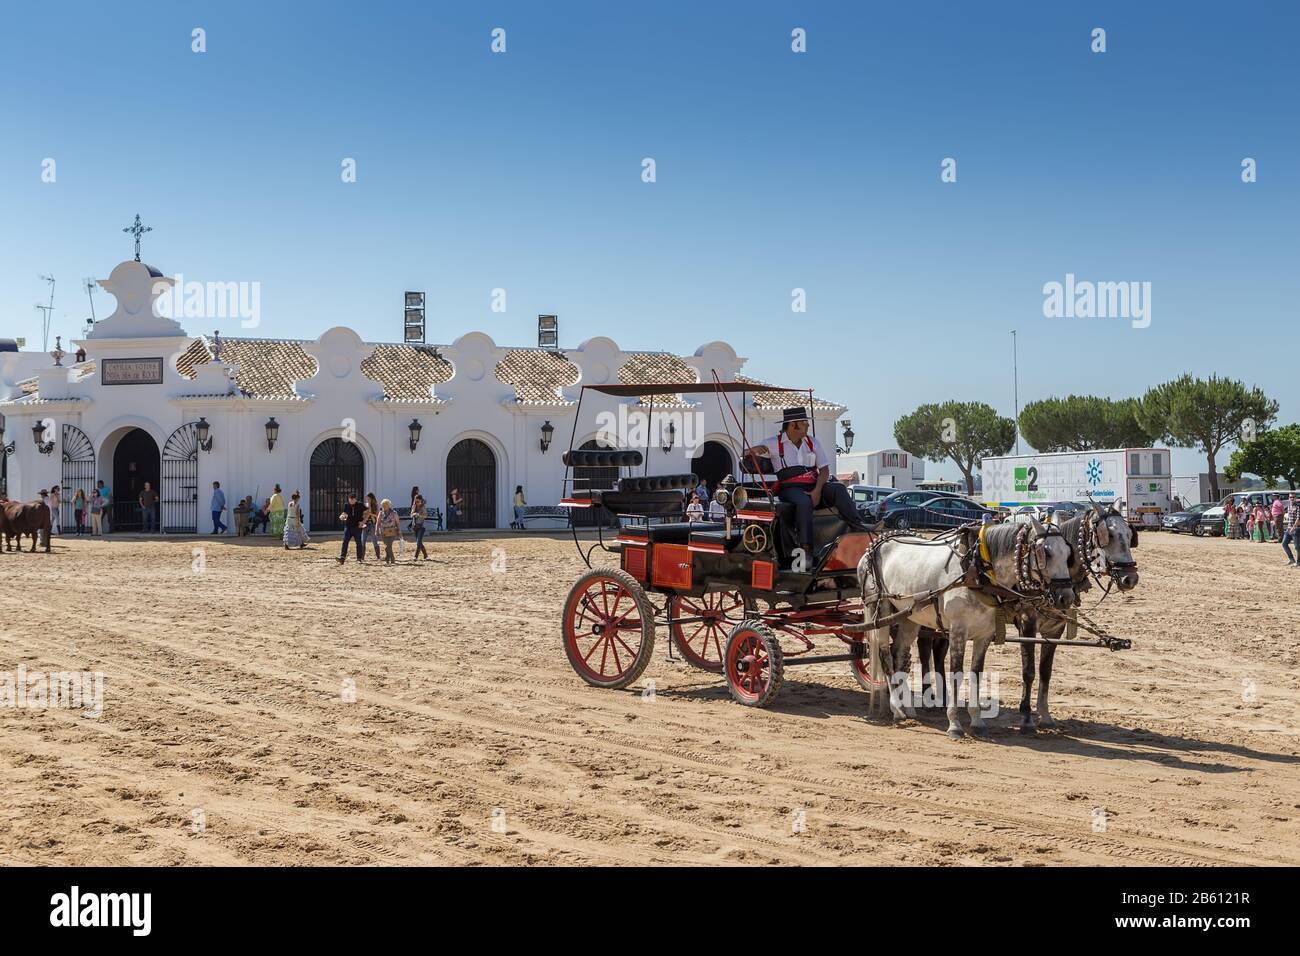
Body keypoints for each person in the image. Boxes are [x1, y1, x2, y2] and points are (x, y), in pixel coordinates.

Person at [743, 406, 869, 560]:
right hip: (789, 488)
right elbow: (745, 454)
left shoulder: (812, 442)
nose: (807, 426)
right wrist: (753, 451)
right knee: (804, 501)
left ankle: (860, 528)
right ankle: (806, 549)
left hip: (814, 485)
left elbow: (824, 470)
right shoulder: (772, 443)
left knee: (838, 489)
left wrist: (817, 490)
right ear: (792, 425)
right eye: (804, 422)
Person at [338, 491, 367, 563]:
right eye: (349, 500)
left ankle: (359, 559)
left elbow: (368, 512)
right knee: (345, 541)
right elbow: (344, 513)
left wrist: (363, 521)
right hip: (348, 526)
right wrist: (342, 516)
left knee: (358, 543)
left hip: (357, 527)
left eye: (352, 500)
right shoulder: (346, 505)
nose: (350, 501)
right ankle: (342, 558)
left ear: (355, 499)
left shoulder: (360, 505)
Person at [377, 497, 402, 564]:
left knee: (388, 546)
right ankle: (388, 558)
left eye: (385, 505)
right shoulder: (381, 513)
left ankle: (392, 558)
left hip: (392, 531)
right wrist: (376, 530)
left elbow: (397, 522)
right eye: (383, 505)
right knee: (387, 545)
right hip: (383, 531)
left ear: (389, 505)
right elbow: (378, 522)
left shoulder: (394, 513)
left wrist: (399, 530)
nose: (384, 506)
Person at [1281, 495, 1300, 566]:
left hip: (1297, 529)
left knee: (1297, 547)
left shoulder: (1298, 506)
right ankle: (1291, 559)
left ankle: (1298, 562)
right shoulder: (1289, 506)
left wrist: (1294, 527)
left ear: (1295, 498)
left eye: (1293, 497)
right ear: (1289, 498)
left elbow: (1298, 519)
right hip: (1289, 528)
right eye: (1290, 497)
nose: (1292, 498)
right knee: (1284, 543)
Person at [411, 493, 430, 561]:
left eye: (418, 501)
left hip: (421, 526)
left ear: (421, 501)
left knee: (418, 542)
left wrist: (419, 515)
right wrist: (414, 514)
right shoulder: (414, 506)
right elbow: (411, 514)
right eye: (415, 501)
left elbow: (425, 516)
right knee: (419, 542)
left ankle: (415, 556)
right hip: (415, 526)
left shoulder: (423, 507)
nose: (417, 503)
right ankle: (425, 555)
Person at [365, 492, 382, 559]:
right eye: (367, 499)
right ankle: (362, 557)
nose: (367, 500)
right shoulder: (365, 505)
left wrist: (370, 514)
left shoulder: (375, 505)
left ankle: (378, 556)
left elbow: (377, 515)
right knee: (363, 541)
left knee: (374, 541)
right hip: (365, 524)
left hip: (372, 524)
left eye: (369, 499)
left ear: (372, 499)